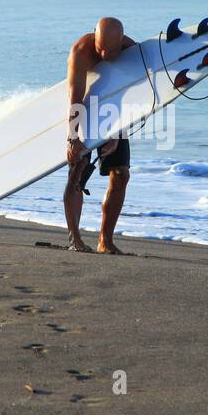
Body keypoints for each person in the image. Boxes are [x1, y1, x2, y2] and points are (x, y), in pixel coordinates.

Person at [64, 17, 135, 253]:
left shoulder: (130, 49)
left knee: (121, 175)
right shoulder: (81, 51)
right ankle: (76, 240)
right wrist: (73, 139)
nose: (104, 55)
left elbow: (135, 92)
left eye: (111, 50)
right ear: (95, 38)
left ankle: (105, 240)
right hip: (83, 109)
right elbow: (75, 99)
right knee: (77, 171)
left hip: (115, 111)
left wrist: (115, 131)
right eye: (100, 49)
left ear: (121, 41)